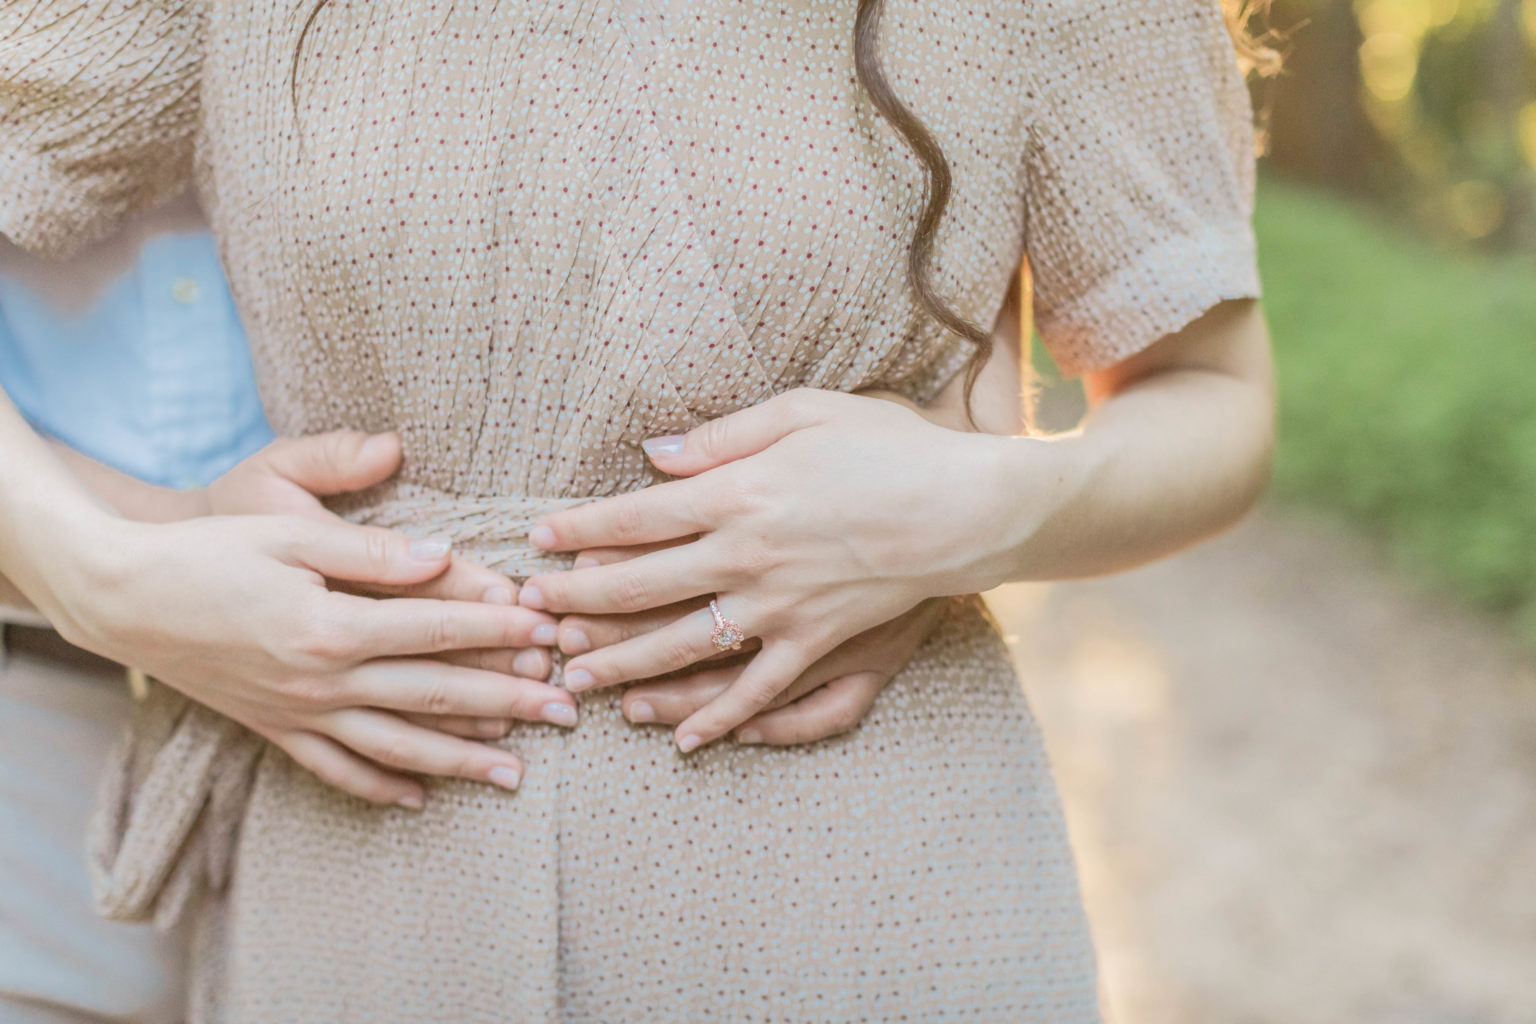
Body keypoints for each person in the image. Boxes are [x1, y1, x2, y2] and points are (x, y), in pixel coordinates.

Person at [0, 0, 1276, 1019]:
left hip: (869, 875)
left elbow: (1209, 396)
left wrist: (982, 506)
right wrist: (111, 565)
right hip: (367, 863)